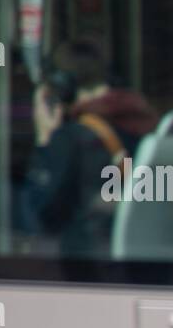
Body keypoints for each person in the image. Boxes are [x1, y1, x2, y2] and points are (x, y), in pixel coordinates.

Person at [19, 37, 159, 260]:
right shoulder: (148, 126)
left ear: (62, 87)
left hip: (87, 263)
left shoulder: (74, 138)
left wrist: (45, 140)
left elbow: (43, 216)